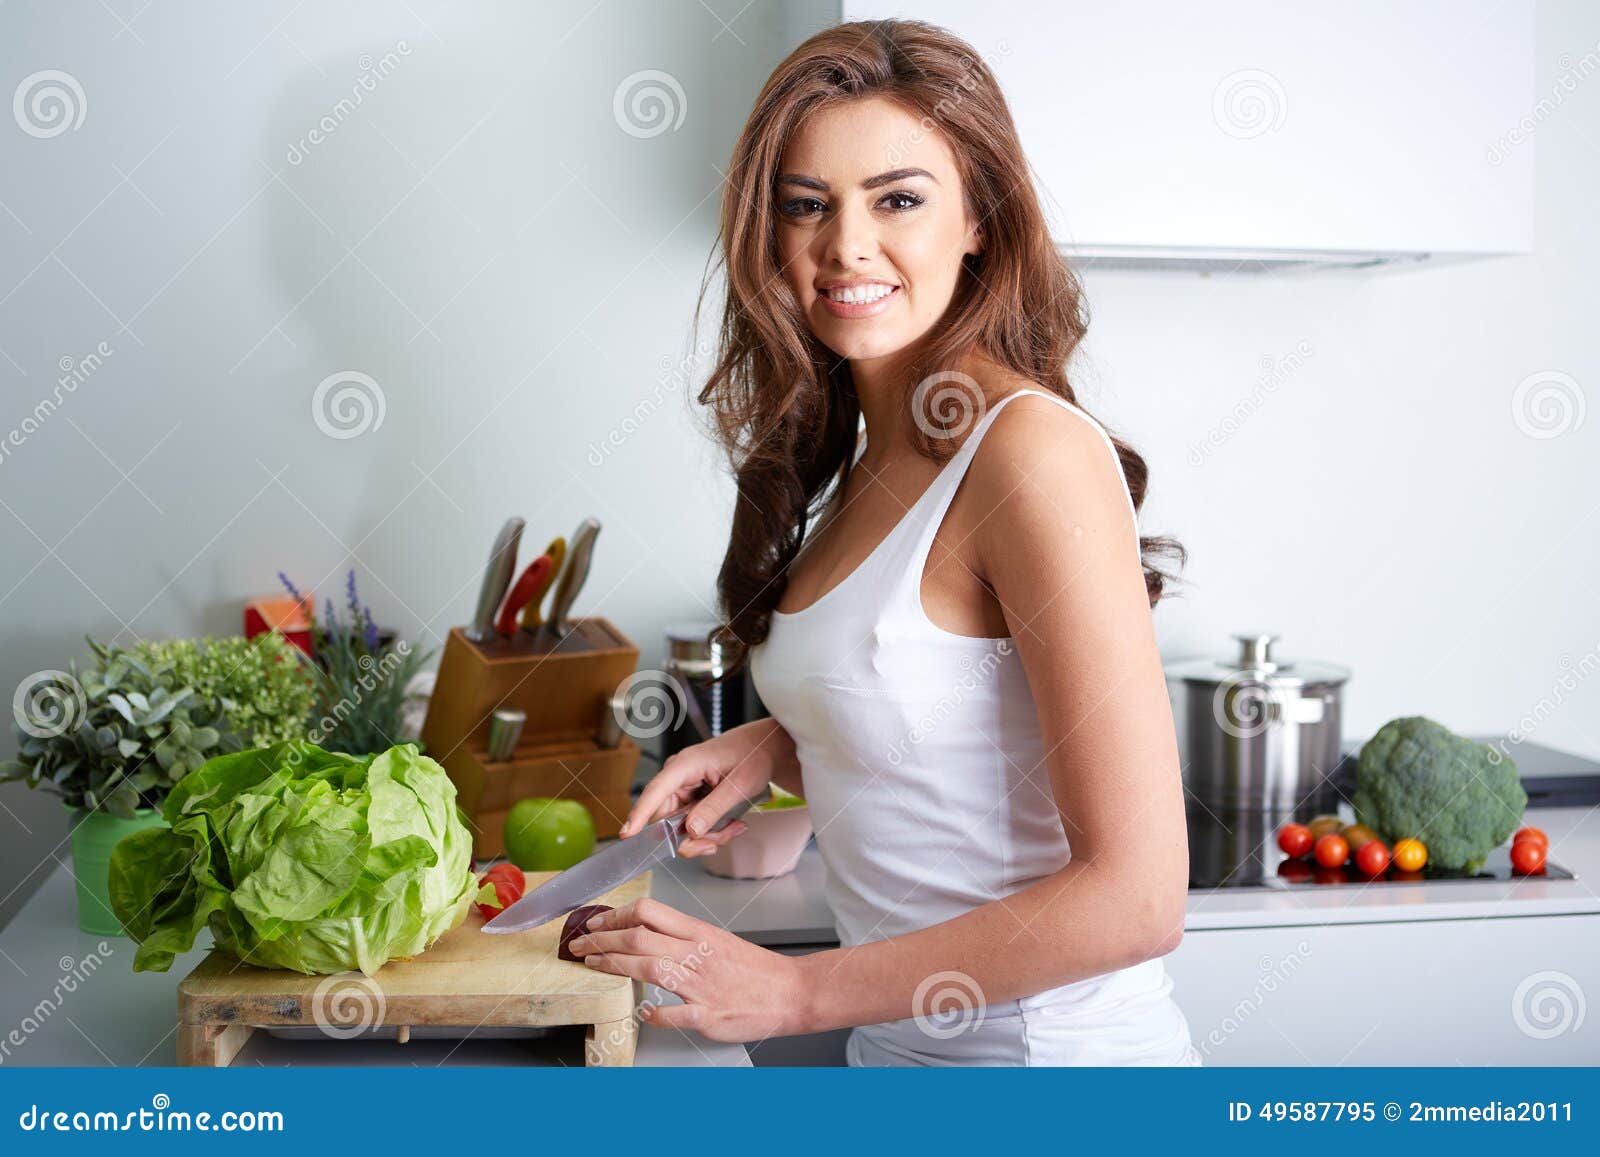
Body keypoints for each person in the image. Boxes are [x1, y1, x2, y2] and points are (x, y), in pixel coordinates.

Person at [563, 18, 1197, 1066]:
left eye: (897, 198)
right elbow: (949, 693)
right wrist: (788, 735)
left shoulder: (1026, 451)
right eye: (806, 205)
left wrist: (790, 990)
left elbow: (1135, 897)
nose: (845, 246)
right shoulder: (873, 458)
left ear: (979, 220)